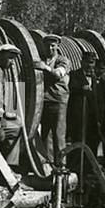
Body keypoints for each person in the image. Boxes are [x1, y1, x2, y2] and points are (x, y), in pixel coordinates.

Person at [35, 35, 70, 163]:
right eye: (47, 45)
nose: (50, 48)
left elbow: (57, 75)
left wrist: (45, 67)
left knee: (58, 135)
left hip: (58, 102)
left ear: (57, 46)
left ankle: (61, 165)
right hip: (44, 101)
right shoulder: (41, 59)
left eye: (53, 46)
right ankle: (48, 165)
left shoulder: (63, 61)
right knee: (45, 134)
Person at [0, 43, 23, 159]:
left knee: (16, 127)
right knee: (10, 132)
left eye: (14, 59)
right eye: (10, 58)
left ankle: (7, 166)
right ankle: (0, 168)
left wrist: (5, 113)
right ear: (0, 56)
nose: (12, 62)